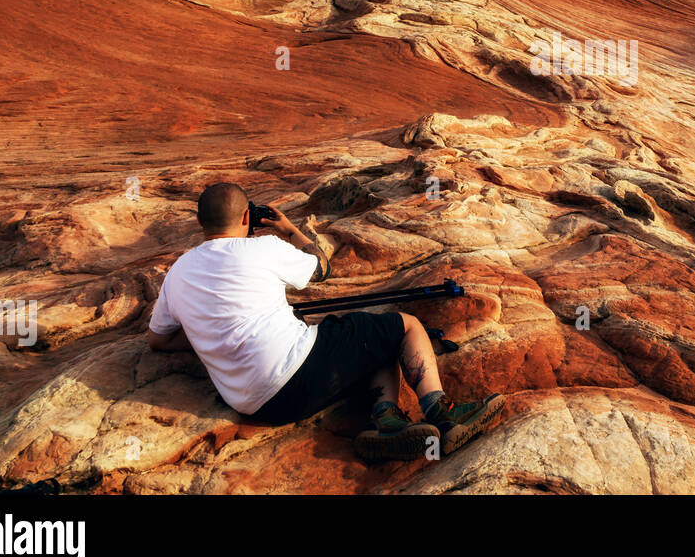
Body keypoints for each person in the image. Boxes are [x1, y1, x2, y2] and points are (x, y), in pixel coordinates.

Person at [146, 182, 503, 461]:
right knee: (405, 325)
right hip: (302, 373)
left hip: (256, 406)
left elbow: (157, 341)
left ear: (199, 223)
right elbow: (322, 268)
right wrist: (288, 229)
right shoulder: (261, 248)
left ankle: (389, 423)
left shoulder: (177, 274)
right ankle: (443, 413)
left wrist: (203, 332)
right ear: (246, 218)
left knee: (365, 340)